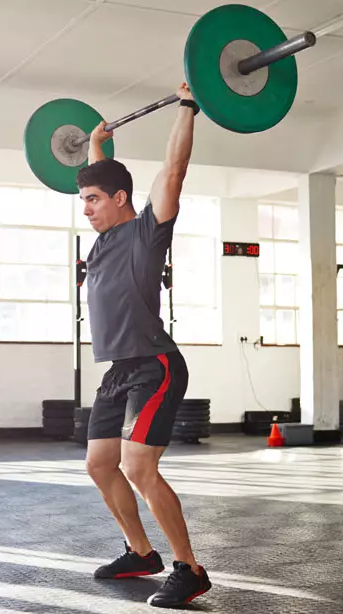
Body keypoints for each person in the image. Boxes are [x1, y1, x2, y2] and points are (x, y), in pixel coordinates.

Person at [76, 82, 211, 609]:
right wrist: (96, 146)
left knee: (138, 467)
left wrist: (187, 106)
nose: (85, 207)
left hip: (156, 366)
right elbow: (104, 177)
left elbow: (172, 172)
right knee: (100, 464)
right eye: (83, 199)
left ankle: (190, 569)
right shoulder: (104, 237)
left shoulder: (146, 232)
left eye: (91, 200)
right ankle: (140, 553)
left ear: (121, 202)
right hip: (118, 370)